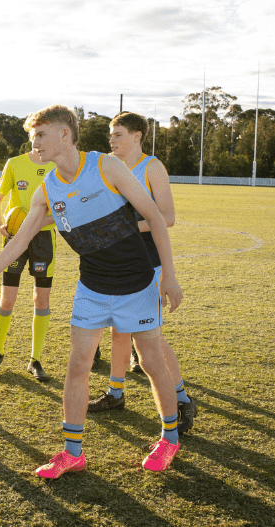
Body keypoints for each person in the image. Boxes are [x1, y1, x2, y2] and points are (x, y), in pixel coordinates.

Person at [0, 105, 184, 475]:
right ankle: (73, 453)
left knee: (151, 361)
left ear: (65, 135)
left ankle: (169, 438)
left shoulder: (106, 167)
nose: (34, 143)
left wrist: (169, 276)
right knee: (77, 365)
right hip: (92, 286)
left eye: (40, 135)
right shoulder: (47, 189)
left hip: (136, 282)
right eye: (32, 136)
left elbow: (155, 216)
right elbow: (18, 243)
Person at [86, 112, 197, 434]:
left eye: (118, 134)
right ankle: (115, 394)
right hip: (113, 262)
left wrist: (124, 227)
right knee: (118, 331)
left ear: (137, 136)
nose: (112, 140)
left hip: (146, 262)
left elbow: (168, 217)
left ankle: (182, 399)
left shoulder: (152, 167)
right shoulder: (107, 164)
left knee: (150, 338)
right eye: (111, 134)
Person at [0, 151, 57, 381]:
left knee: (41, 299)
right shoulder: (14, 163)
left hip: (44, 239)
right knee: (8, 299)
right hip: (14, 237)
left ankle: (35, 360)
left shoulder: (56, 165)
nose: (38, 141)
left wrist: (35, 224)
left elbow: (63, 207)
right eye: (35, 134)